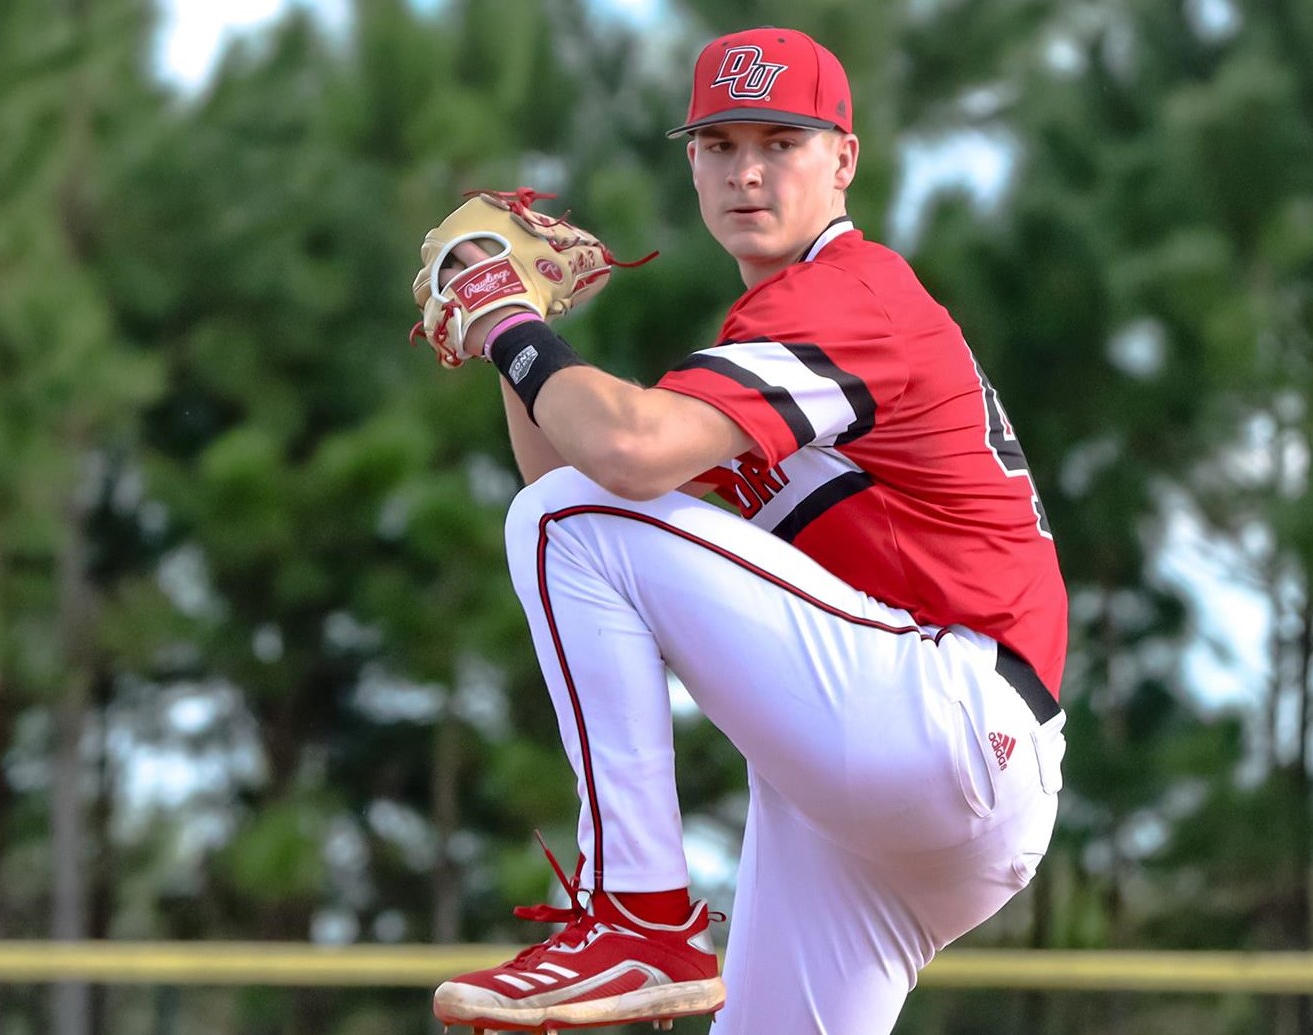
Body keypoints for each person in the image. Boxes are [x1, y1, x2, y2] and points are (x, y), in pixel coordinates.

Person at [428, 26, 1068, 1035]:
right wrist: (523, 332)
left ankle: (638, 919)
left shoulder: (851, 296)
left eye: (781, 141)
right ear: (691, 162)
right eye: (720, 145)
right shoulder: (775, 331)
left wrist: (503, 322)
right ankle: (639, 925)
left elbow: (610, 471)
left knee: (565, 522)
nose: (747, 172)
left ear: (843, 159)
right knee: (567, 517)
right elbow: (577, 478)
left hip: (940, 715)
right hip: (898, 797)